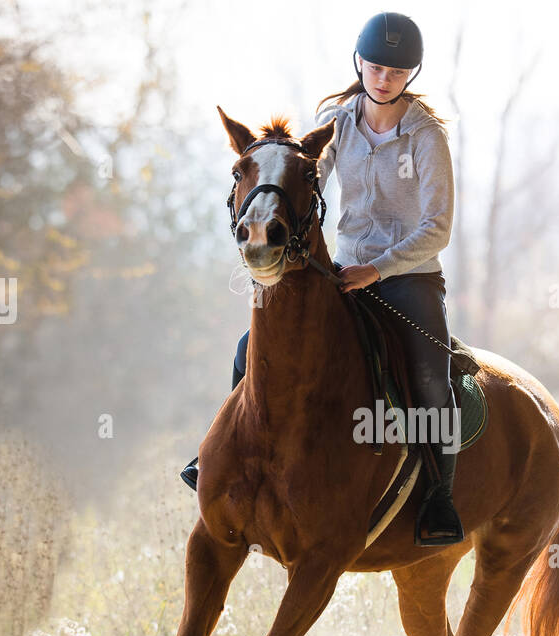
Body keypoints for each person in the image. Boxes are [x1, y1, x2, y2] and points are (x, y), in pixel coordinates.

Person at [182, 11, 463, 546]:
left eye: (396, 73)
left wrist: (376, 269)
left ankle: (438, 497)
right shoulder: (338, 120)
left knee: (432, 377)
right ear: (359, 63)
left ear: (412, 75)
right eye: (375, 68)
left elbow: (439, 228)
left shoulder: (427, 137)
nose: (383, 79)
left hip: (407, 278)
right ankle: (221, 460)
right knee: (249, 348)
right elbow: (307, 176)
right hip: (338, 270)